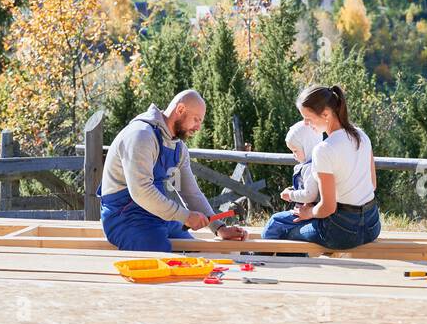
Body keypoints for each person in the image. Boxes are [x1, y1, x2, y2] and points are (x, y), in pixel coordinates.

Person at [98, 90, 249, 252]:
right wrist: (185, 216)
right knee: (161, 260)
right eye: (196, 119)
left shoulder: (178, 147)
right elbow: (141, 191)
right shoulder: (141, 135)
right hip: (124, 219)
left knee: (194, 253)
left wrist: (219, 228)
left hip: (158, 216)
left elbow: (191, 194)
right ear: (181, 109)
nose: (198, 127)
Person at [261, 84, 380, 250]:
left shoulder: (324, 149)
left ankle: (269, 268)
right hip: (372, 225)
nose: (306, 124)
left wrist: (307, 213)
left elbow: (328, 207)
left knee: (281, 228)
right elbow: (372, 185)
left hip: (342, 232)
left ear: (326, 114)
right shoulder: (361, 135)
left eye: (308, 119)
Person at [261, 122, 320, 239]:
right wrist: (293, 189)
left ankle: (262, 253)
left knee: (275, 221)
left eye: (295, 151)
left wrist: (291, 195)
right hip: (307, 212)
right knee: (286, 230)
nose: (294, 155)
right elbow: (310, 188)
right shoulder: (310, 165)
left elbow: (310, 195)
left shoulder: (310, 167)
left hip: (309, 213)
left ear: (307, 146)